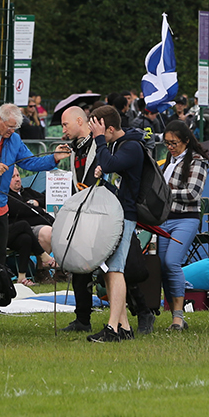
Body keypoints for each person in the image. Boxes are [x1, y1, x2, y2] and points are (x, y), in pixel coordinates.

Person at [0, 103, 67, 269]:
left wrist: (53, 158)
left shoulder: (15, 139)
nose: (12, 131)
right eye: (10, 127)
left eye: (15, 128)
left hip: (2, 207)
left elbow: (30, 162)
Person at [83, 104, 143, 343]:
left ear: (108, 128)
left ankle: (112, 329)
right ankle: (124, 327)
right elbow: (118, 180)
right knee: (109, 270)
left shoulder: (131, 146)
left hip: (125, 215)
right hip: (116, 212)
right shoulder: (119, 145)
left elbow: (109, 165)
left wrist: (99, 141)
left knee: (116, 269)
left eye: (97, 131)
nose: (95, 136)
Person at [158, 120, 209, 332]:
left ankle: (179, 317)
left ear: (186, 141)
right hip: (164, 219)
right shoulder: (169, 161)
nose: (170, 147)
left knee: (172, 262)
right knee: (162, 267)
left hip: (186, 218)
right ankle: (175, 316)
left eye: (174, 143)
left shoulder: (198, 161)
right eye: (167, 143)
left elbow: (193, 193)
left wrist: (164, 194)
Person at [55, 104, 102, 332]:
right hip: (84, 216)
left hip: (103, 215)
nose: (63, 129)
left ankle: (142, 311)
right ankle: (83, 319)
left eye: (65, 124)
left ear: (80, 122)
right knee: (79, 269)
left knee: (116, 268)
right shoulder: (75, 149)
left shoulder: (100, 144)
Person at [5, 170, 53, 285]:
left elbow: (48, 199)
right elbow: (21, 209)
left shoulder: (28, 191)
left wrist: (36, 202)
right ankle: (42, 266)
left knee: (26, 238)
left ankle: (22, 277)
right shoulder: (6, 196)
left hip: (30, 229)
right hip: (18, 229)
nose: (17, 179)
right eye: (13, 177)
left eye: (18, 175)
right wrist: (40, 210)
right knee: (42, 231)